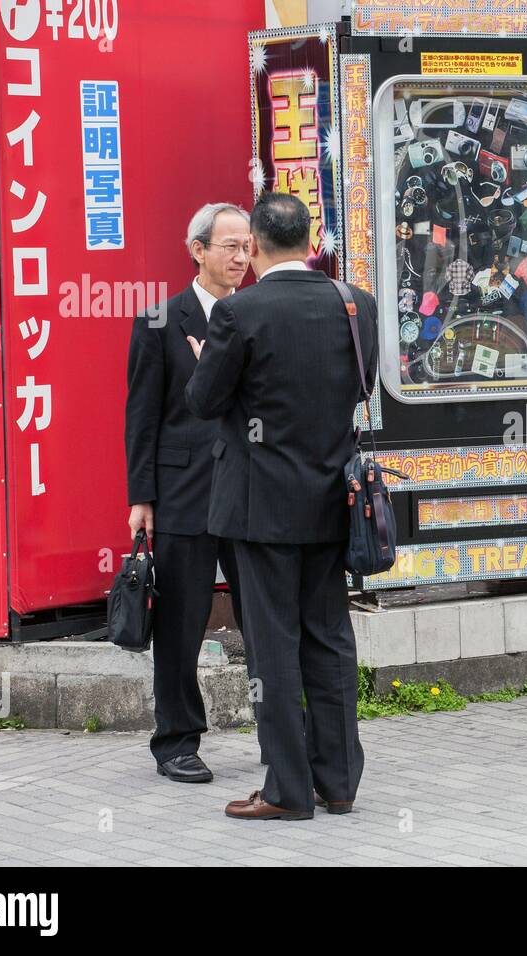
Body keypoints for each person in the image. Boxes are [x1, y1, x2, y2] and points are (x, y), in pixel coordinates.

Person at [185, 193, 377, 821]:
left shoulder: (239, 313)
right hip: (333, 504)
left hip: (260, 509)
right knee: (329, 640)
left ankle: (287, 789)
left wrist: (204, 366)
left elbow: (205, 403)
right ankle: (339, 781)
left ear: (259, 245)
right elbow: (357, 386)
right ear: (310, 240)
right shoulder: (357, 304)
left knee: (274, 648)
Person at [125, 203, 252, 783]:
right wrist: (141, 496)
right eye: (228, 245)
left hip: (252, 492)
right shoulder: (159, 321)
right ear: (197, 249)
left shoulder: (257, 315)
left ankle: (279, 732)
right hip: (183, 492)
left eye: (247, 245)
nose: (240, 256)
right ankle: (176, 740)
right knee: (180, 621)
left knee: (265, 615)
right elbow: (142, 417)